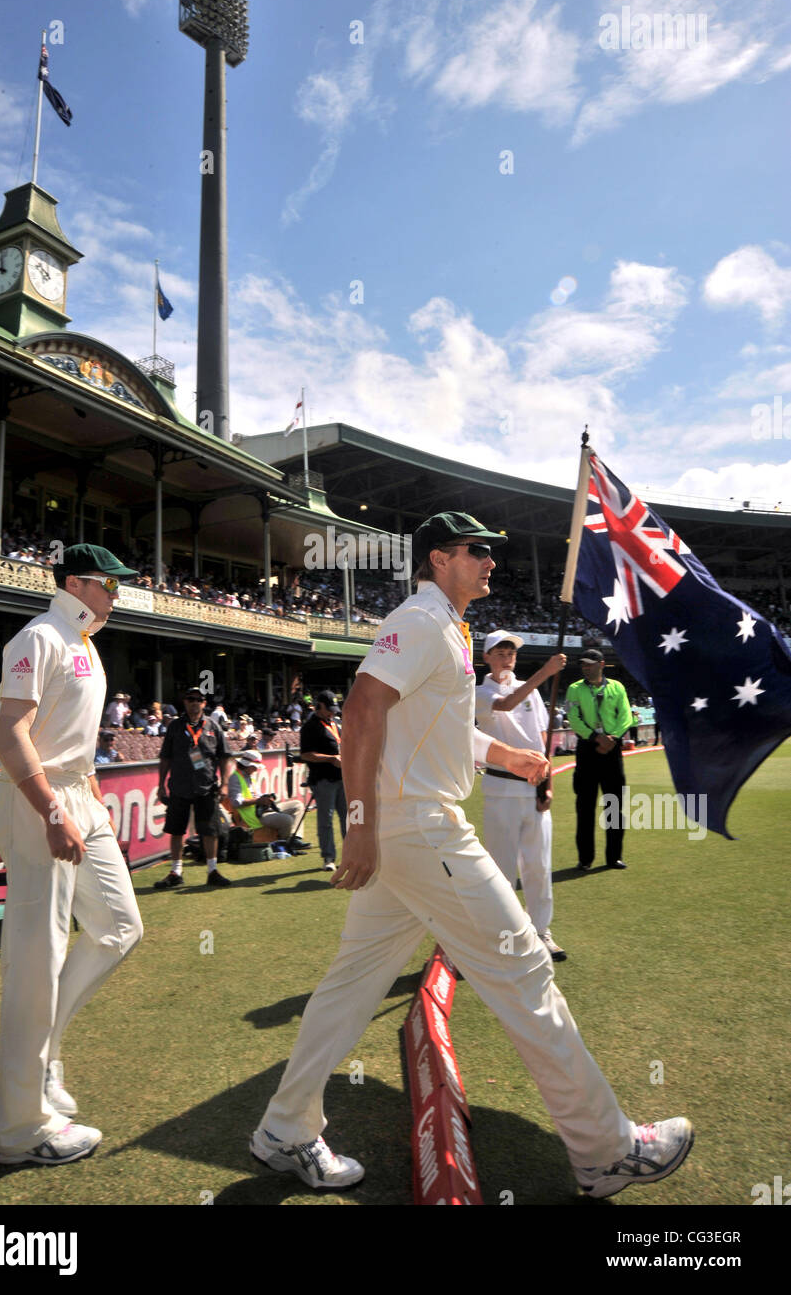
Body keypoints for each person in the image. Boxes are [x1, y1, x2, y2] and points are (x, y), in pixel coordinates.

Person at [250, 510, 693, 1197]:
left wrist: (504, 754)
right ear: (436, 560)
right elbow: (362, 710)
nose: (489, 561)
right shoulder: (422, 621)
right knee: (523, 971)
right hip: (421, 830)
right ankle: (604, 1149)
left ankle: (284, 1129)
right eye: (474, 550)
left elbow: (439, 728)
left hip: (411, 830)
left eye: (490, 550)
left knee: (349, 987)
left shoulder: (447, 628)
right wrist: (360, 821)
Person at [0, 543, 143, 1166]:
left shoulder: (83, 640)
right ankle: (21, 1129)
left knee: (119, 927)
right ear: (77, 583)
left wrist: (91, 803)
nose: (117, 594)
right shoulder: (39, 636)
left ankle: (41, 1052)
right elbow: (9, 731)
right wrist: (54, 812)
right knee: (37, 955)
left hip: (80, 795)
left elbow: (75, 740)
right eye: (110, 583)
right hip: (39, 803)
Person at [475, 631, 567, 961]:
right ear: (487, 657)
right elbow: (505, 705)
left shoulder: (532, 691)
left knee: (539, 866)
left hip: (534, 791)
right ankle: (503, 936)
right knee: (500, 869)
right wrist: (545, 673)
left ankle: (541, 932)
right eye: (500, 651)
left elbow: (544, 741)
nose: (507, 656)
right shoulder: (479, 692)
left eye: (511, 651)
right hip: (501, 790)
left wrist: (549, 785)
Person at [155, 687, 232, 889]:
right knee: (176, 830)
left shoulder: (214, 727)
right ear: (184, 702)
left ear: (204, 703)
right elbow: (165, 757)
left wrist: (224, 783)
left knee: (209, 830)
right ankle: (176, 871)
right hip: (179, 786)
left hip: (206, 787)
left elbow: (225, 757)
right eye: (190, 699)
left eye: (199, 699)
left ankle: (212, 870)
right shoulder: (174, 727)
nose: (194, 702)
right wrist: (160, 784)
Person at [566, 649, 634, 870]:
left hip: (612, 751)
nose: (586, 668)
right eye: (583, 665)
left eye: (590, 664)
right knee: (584, 807)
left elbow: (625, 716)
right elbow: (574, 719)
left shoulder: (617, 687)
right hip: (587, 750)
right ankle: (585, 859)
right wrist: (596, 738)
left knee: (614, 805)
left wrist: (612, 737)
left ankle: (614, 857)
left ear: (601, 664)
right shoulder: (574, 689)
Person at [299, 690, 346, 872]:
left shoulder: (336, 724)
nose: (332, 713)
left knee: (347, 819)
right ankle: (328, 857)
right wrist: (331, 759)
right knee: (325, 820)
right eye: (329, 709)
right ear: (319, 706)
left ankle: (349, 855)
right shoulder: (310, 727)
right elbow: (306, 754)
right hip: (324, 780)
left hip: (342, 778)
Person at [227, 750, 307, 852]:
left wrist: (267, 798)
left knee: (298, 805)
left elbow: (257, 795)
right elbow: (236, 802)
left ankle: (296, 839)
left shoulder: (249, 777)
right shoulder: (235, 778)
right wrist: (258, 801)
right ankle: (283, 843)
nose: (256, 769)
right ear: (246, 765)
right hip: (255, 816)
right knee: (287, 820)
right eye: (254, 767)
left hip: (263, 809)